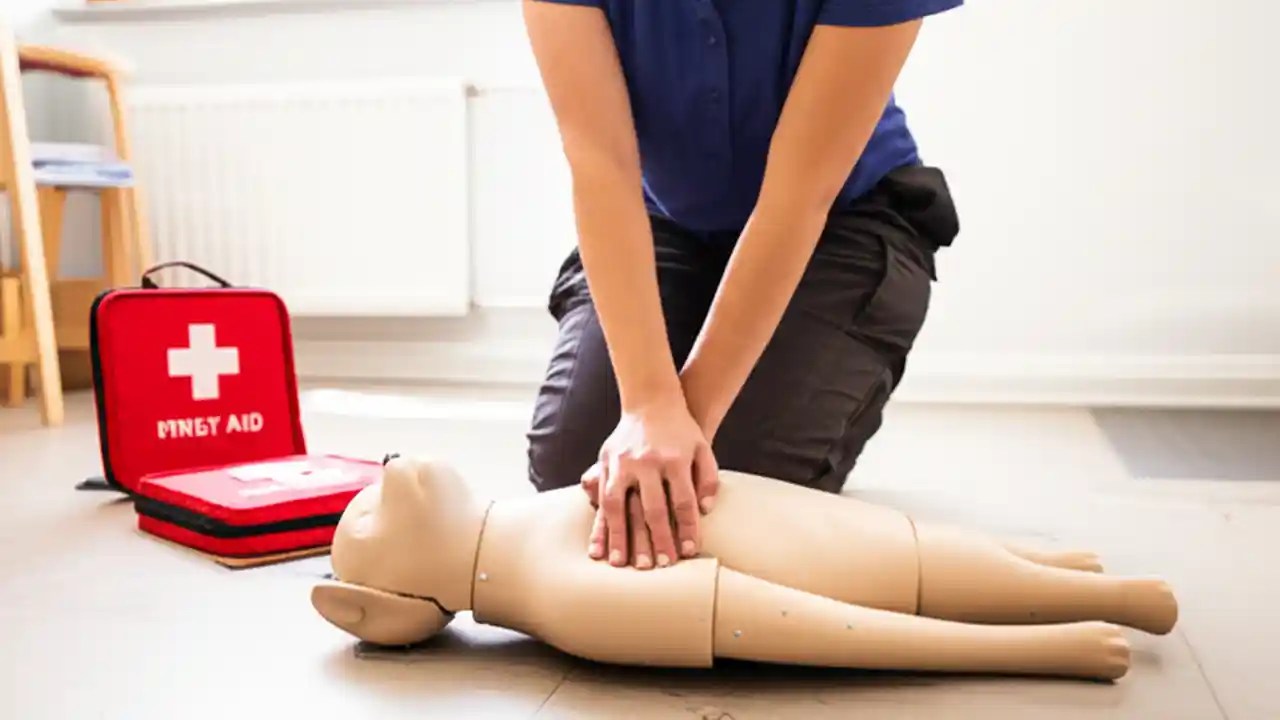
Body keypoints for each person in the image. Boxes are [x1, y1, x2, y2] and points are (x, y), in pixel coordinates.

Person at [522, 0, 964, 570]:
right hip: (668, 225)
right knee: (574, 473)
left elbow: (799, 194)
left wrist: (690, 432)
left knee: (722, 484)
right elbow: (600, 164)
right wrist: (648, 407)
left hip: (841, 222)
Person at [313, 456, 1177, 681]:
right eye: (376, 517)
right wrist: (1035, 650)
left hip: (834, 532)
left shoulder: (536, 520)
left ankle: (1054, 571)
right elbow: (787, 622)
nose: (388, 474)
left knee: (914, 546)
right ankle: (1073, 593)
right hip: (843, 569)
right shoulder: (564, 595)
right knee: (905, 564)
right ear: (388, 609)